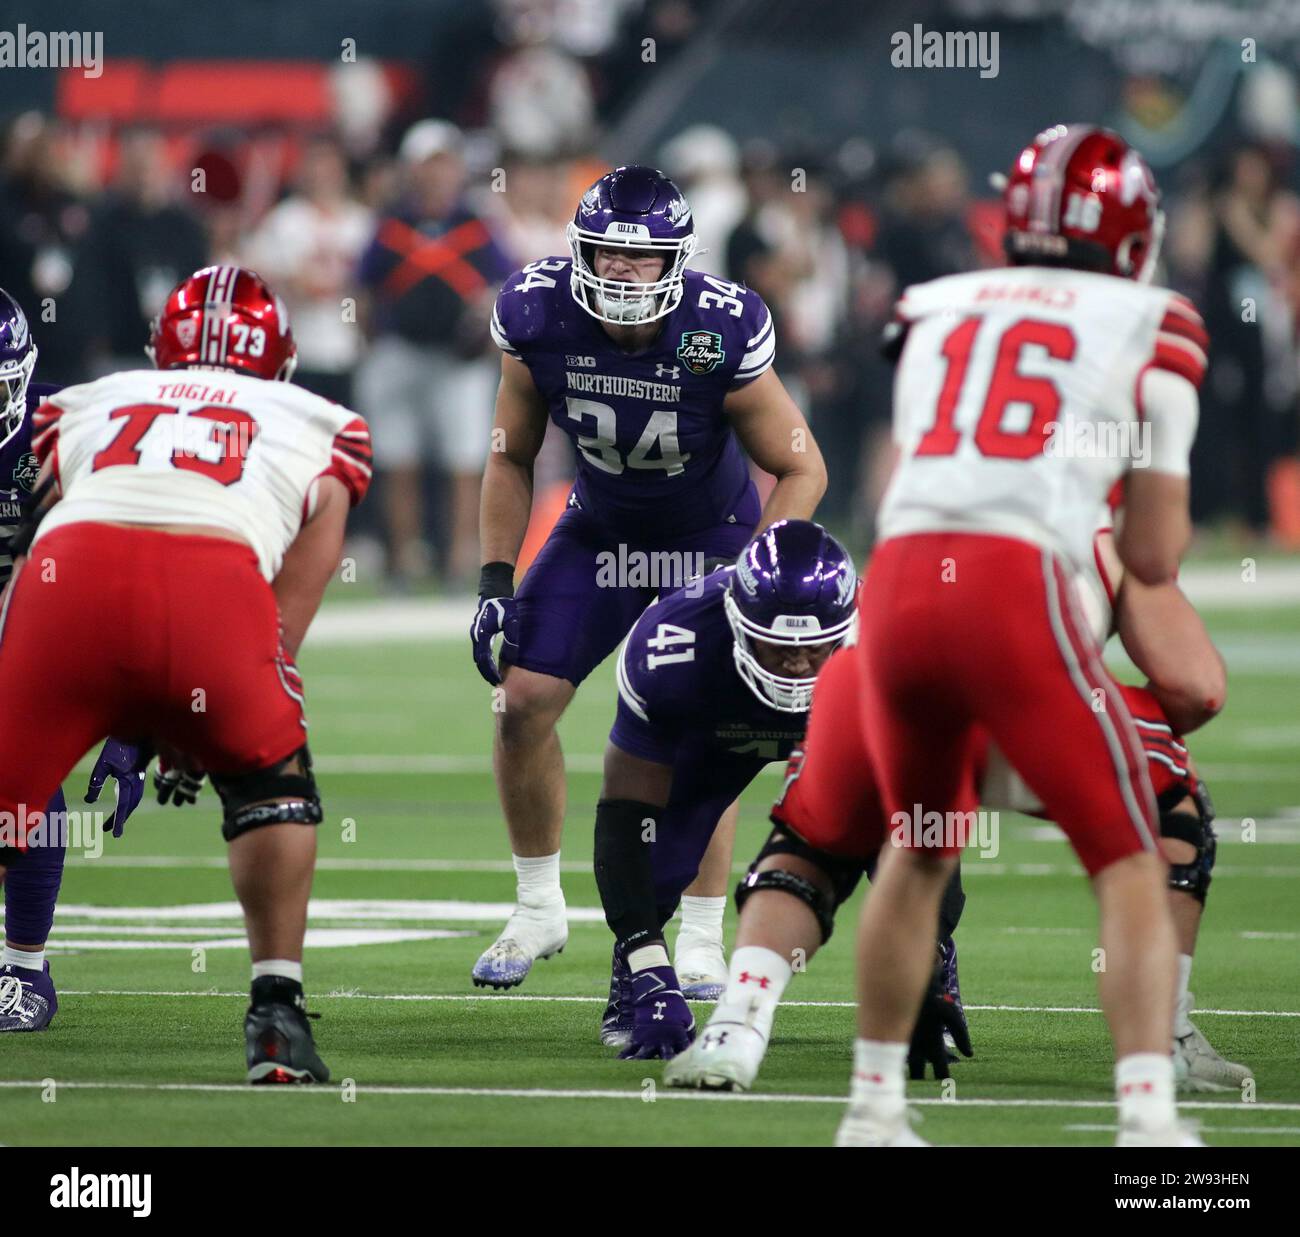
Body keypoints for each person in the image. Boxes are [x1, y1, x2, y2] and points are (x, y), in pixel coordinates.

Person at [837, 124, 1205, 1147]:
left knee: (919, 844)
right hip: (1009, 582)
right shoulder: (1151, 319)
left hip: (900, 578)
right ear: (1131, 231)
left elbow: (910, 453)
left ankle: (872, 1111)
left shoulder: (931, 301)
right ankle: (1147, 1120)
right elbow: (1157, 552)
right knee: (1131, 855)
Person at [667, 511, 1249, 1096]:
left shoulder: (931, 481)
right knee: (1174, 806)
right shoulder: (1100, 511)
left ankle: (739, 1026)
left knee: (810, 846)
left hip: (890, 677)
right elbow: (1197, 689)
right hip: (1027, 702)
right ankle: (1159, 1049)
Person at [0, 265, 372, 1082]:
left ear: (158, 354)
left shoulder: (92, 401)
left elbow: (44, 534)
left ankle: (23, 965)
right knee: (275, 787)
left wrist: (102, 710)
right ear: (282, 359)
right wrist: (188, 726)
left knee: (10, 804)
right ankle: (275, 1015)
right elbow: (279, 632)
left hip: (66, 581)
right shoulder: (318, 421)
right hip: (211, 590)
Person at [469, 165, 826, 989]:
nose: (623, 274)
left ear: (680, 261)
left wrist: (756, 577)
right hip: (599, 532)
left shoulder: (720, 325)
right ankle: (536, 906)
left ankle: (700, 934)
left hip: (709, 539)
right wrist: (494, 580)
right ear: (578, 251)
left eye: (643, 259)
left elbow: (803, 468)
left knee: (709, 722)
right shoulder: (537, 310)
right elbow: (510, 455)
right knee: (519, 700)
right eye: (606, 255)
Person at [595, 520, 856, 1059]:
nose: (797, 664)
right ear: (737, 621)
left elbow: (927, 803)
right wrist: (645, 955)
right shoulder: (673, 646)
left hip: (841, 726)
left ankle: (934, 970)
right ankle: (641, 973)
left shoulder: (887, 645)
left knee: (902, 830)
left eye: (814, 648)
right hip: (721, 725)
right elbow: (624, 816)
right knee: (661, 848)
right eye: (778, 646)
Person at [0, 289, 148, 1031]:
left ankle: (25, 970)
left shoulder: (78, 429)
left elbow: (140, 578)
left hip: (46, 613)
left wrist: (134, 727)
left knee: (23, 776)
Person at [356, 119, 512, 587]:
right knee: (398, 459)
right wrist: (370, 342)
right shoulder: (391, 225)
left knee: (464, 462)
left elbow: (505, 284)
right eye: (429, 166)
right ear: (412, 170)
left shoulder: (478, 225)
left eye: (445, 165)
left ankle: (462, 561)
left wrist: (488, 329)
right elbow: (364, 288)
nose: (438, 175)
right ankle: (404, 561)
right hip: (400, 351)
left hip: (458, 361)